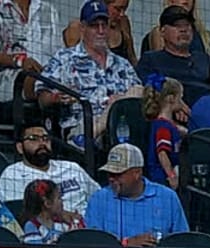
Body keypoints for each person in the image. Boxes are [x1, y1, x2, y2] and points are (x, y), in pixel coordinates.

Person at [39, 0, 143, 149]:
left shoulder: (122, 64)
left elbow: (139, 96)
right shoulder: (64, 58)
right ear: (83, 28)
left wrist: (118, 101)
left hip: (122, 127)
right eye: (94, 26)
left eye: (104, 25)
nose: (101, 31)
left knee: (139, 91)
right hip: (81, 125)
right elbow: (42, 98)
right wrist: (54, 98)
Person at [84, 142, 189, 244]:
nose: (112, 179)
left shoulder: (167, 197)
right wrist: (126, 244)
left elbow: (183, 242)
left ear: (137, 173)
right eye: (110, 174)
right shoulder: (99, 199)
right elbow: (92, 244)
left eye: (117, 174)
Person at [0, 0, 66, 104]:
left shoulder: (48, 10)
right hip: (10, 79)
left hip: (47, 73)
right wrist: (20, 61)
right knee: (39, 81)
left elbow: (57, 53)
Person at [0, 120, 101, 214]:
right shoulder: (12, 174)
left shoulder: (71, 167)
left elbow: (99, 197)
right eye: (33, 139)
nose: (42, 143)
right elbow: (21, 215)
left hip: (84, 226)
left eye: (45, 138)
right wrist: (63, 216)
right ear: (20, 147)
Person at [134, 6, 210, 104]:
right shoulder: (151, 60)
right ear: (162, 31)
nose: (183, 30)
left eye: (187, 25)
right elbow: (150, 87)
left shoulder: (206, 60)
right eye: (177, 26)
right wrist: (176, 103)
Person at [142, 75, 188, 188]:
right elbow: (162, 153)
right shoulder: (163, 126)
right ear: (171, 98)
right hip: (162, 179)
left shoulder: (168, 125)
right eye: (180, 98)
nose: (182, 103)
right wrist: (171, 175)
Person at [61, 0, 135, 65]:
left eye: (124, 9)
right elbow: (70, 59)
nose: (121, 14)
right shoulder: (77, 28)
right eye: (117, 9)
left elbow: (132, 57)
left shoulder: (123, 23)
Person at [19, 177, 84, 244]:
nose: (62, 201)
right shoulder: (32, 225)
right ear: (48, 203)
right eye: (59, 198)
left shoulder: (62, 223)